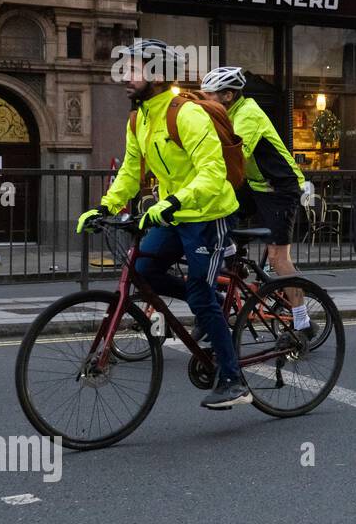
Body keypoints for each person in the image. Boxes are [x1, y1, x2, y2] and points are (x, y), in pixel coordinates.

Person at [75, 39, 250, 409]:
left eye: (135, 69)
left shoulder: (186, 114)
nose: (126, 76)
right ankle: (212, 302)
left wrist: (173, 201)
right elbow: (130, 171)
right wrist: (104, 206)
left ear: (157, 76)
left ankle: (234, 379)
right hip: (174, 214)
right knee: (143, 269)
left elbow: (213, 172)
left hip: (208, 214)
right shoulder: (139, 118)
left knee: (200, 294)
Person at [200, 65, 310, 336]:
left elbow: (235, 157)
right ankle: (233, 264)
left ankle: (302, 322)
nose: (203, 102)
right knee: (215, 213)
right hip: (255, 186)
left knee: (278, 258)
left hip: (280, 188)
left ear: (227, 96)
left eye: (209, 96)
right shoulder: (225, 114)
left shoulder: (247, 114)